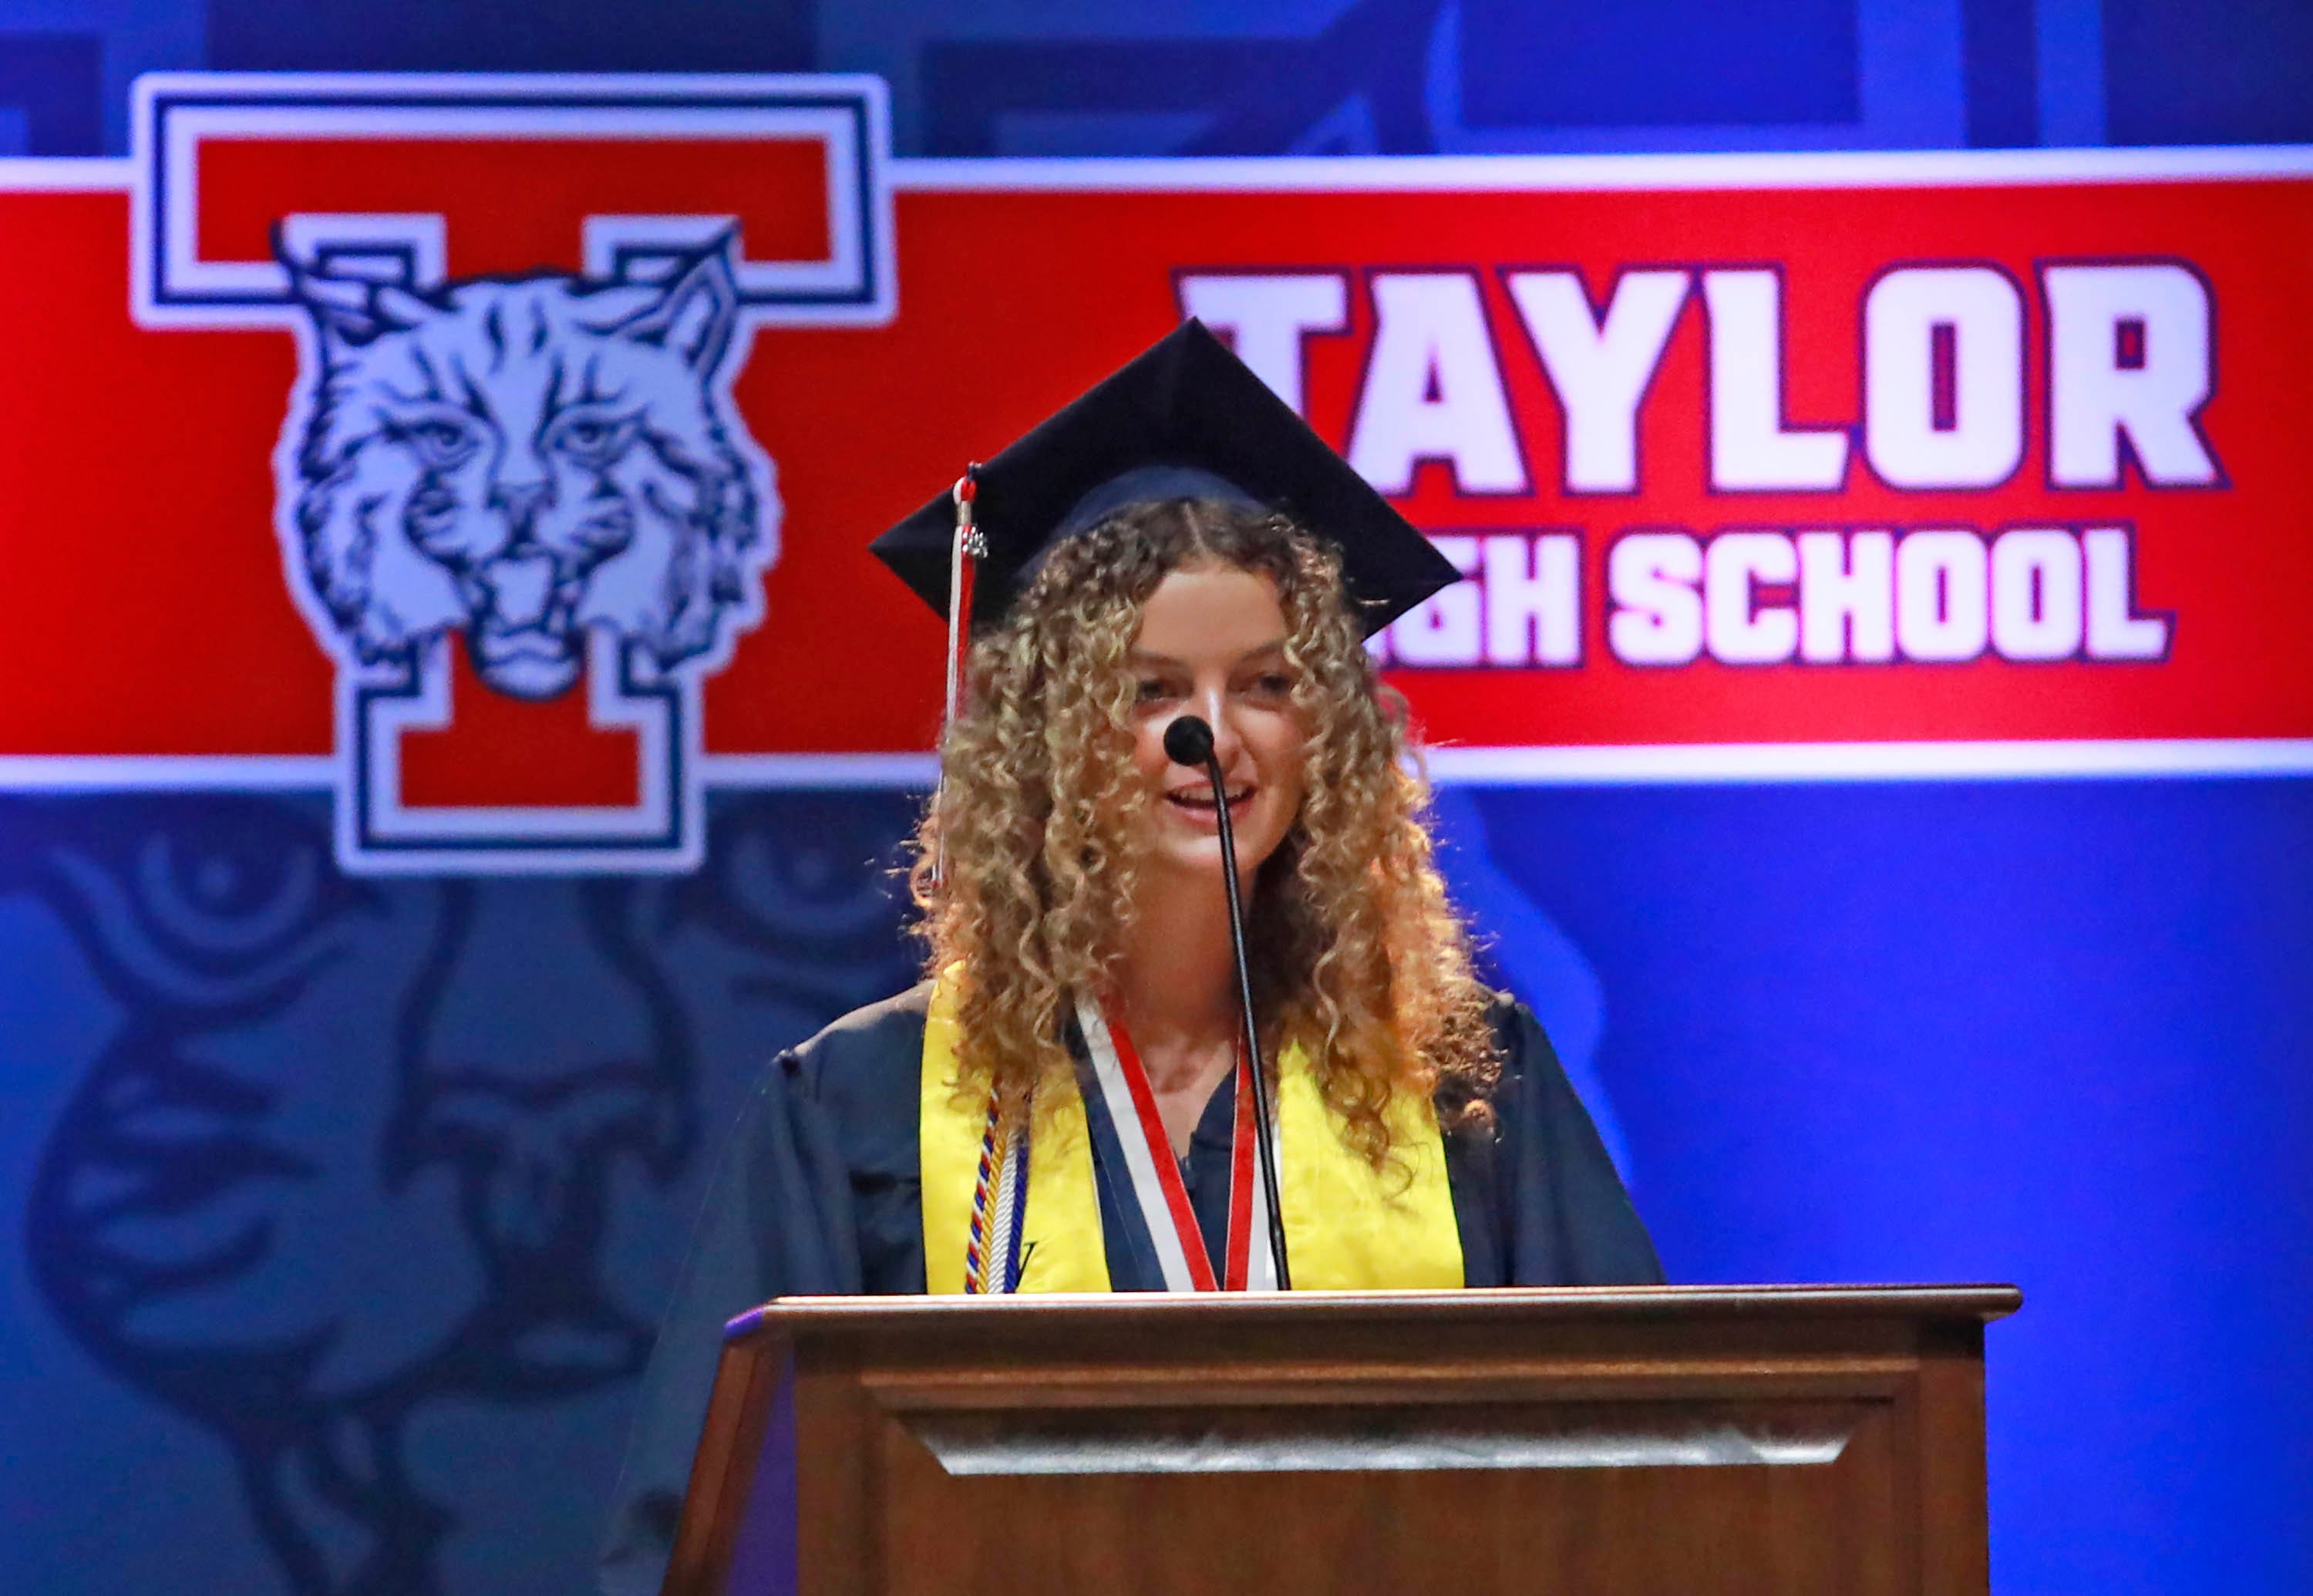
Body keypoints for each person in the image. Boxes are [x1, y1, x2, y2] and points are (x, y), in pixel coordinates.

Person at [597, 322, 1661, 1593]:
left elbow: (1647, 1487)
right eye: (1152, 690)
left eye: (1264, 682)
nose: (1211, 736)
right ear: (1049, 740)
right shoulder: (863, 1109)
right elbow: (723, 1547)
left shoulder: (1466, 1087)